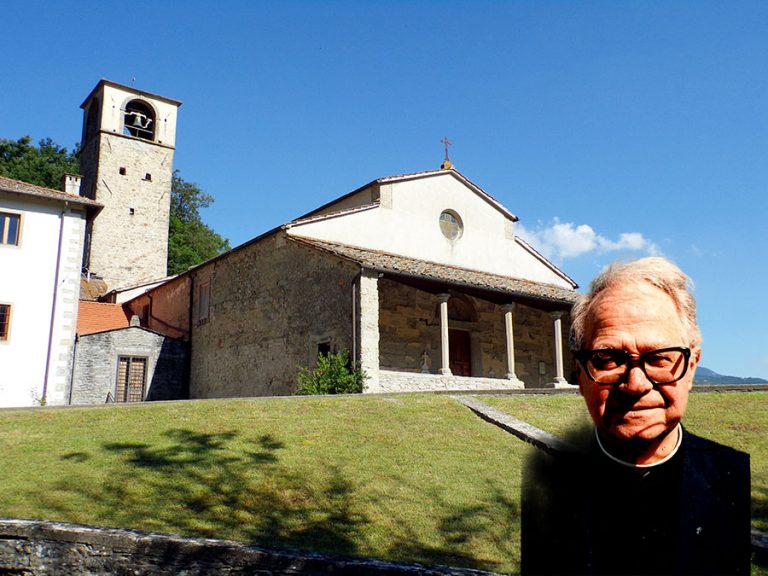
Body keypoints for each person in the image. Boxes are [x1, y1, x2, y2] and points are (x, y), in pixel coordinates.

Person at [521, 257, 751, 576]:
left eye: (659, 358)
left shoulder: (734, 475)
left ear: (692, 367)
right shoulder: (546, 491)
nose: (636, 384)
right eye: (608, 359)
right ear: (580, 374)